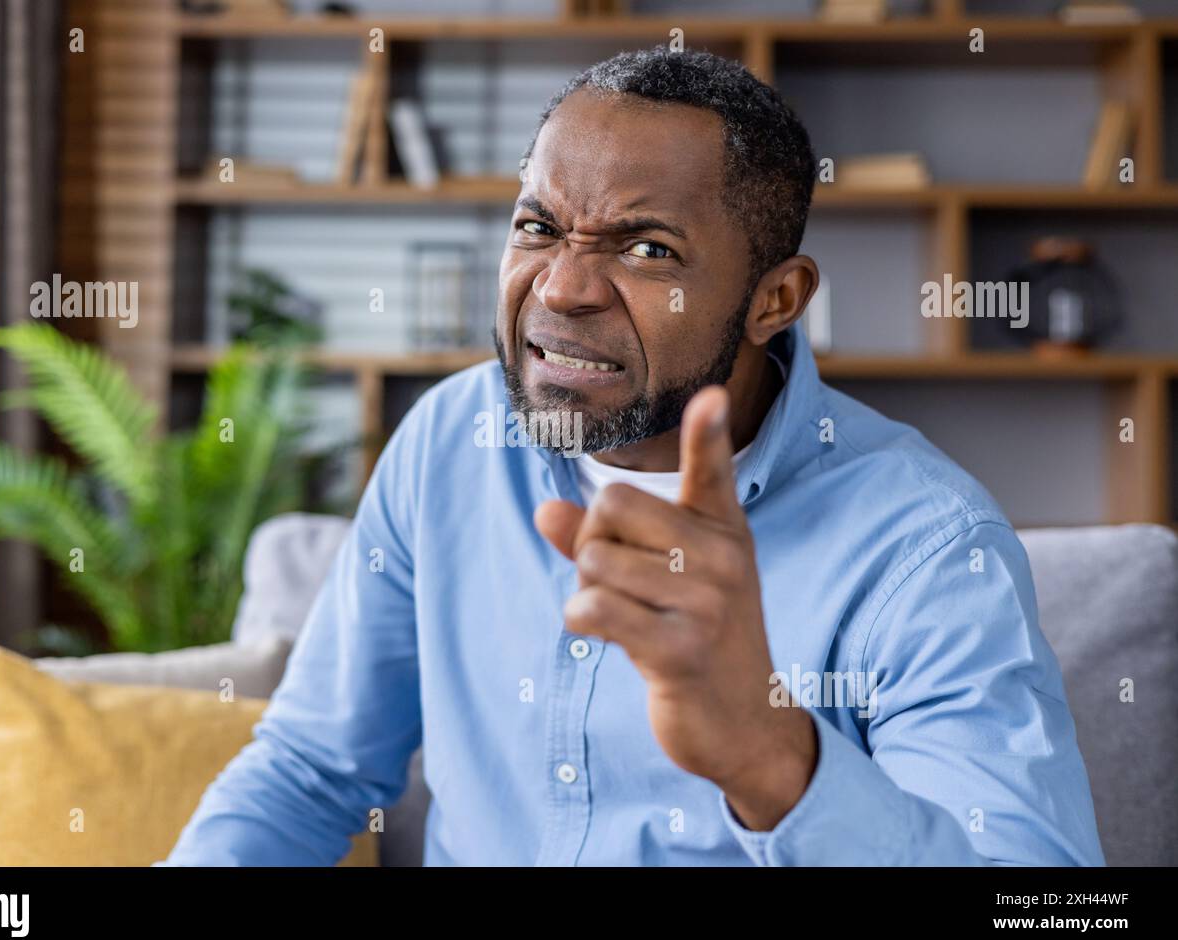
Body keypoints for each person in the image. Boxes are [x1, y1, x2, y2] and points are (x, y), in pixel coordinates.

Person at [167, 47, 1103, 866]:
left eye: (648, 248)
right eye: (538, 228)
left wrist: (773, 760)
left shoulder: (928, 548)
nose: (562, 289)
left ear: (776, 299)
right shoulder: (451, 443)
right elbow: (311, 769)